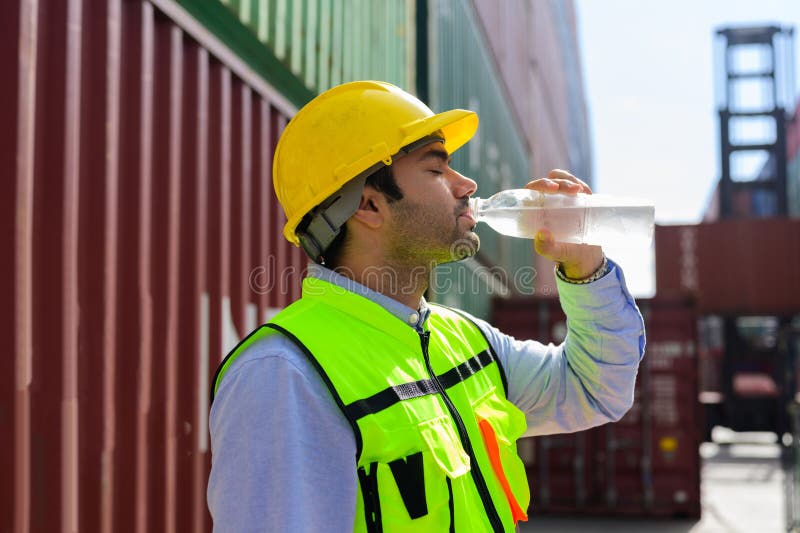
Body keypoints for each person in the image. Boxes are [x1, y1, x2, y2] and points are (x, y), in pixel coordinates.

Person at [207, 81, 645, 532]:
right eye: (437, 170)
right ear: (369, 204)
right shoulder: (285, 375)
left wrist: (584, 265)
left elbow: (595, 390)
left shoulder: (465, 339)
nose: (468, 185)